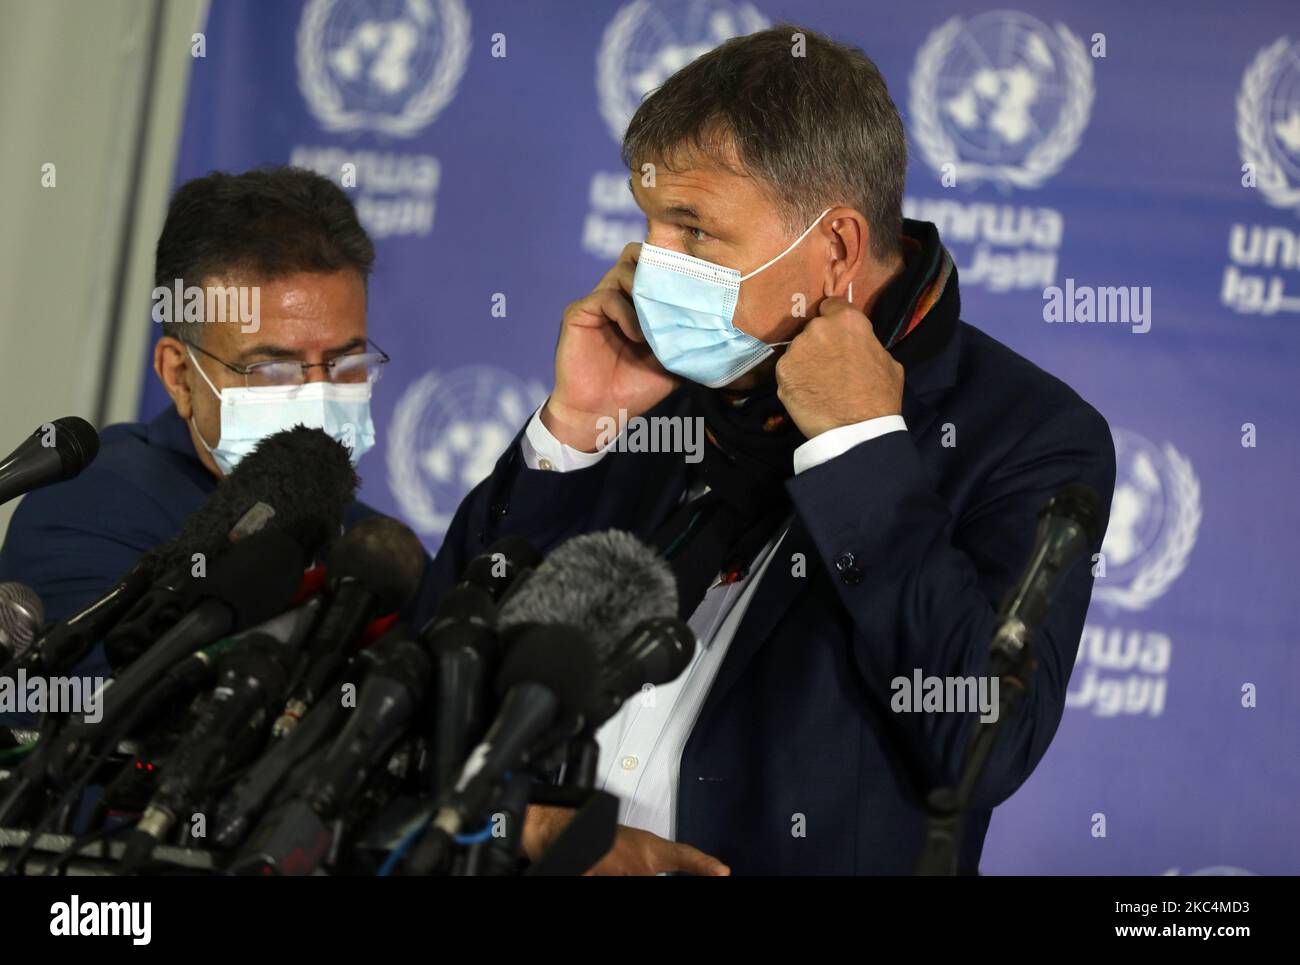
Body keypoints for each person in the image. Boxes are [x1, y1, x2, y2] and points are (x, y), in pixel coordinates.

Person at [429, 25, 1117, 875]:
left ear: (833, 251)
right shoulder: (653, 378)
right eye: (647, 224)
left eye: (693, 231)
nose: (648, 268)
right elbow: (439, 670)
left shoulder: (1028, 435)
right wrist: (574, 431)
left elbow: (982, 740)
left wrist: (860, 448)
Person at [0, 166, 436, 686]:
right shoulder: (86, 510)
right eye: (272, 368)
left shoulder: (374, 553)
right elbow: (109, 740)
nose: (321, 395)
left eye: (345, 363)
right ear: (179, 376)